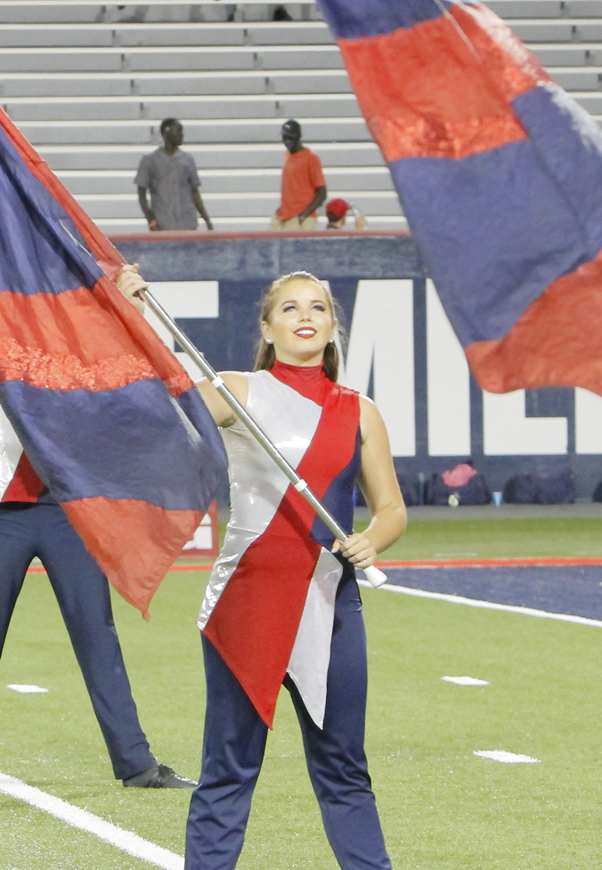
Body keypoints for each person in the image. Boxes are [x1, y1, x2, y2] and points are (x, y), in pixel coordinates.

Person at [0, 274, 194, 797]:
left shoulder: (82, 360)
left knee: (97, 640)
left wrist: (129, 303)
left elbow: (130, 364)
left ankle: (137, 764)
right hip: (6, 517)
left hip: (69, 517)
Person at [178, 270, 408, 868]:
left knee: (343, 768)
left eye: (317, 308)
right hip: (248, 601)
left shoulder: (362, 412)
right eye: (289, 308)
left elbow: (392, 509)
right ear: (268, 327)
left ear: (333, 326)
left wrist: (371, 541)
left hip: (331, 603)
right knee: (228, 770)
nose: (304, 316)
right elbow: (160, 413)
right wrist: (129, 314)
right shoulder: (236, 391)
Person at [136, 118, 213, 231]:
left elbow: (195, 192)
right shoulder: (149, 161)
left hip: (187, 223)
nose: (182, 135)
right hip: (163, 224)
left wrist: (206, 219)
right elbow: (141, 194)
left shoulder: (187, 159)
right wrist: (151, 220)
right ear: (167, 132)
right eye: (179, 131)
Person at [271, 120, 327, 230]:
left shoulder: (311, 158)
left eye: (291, 138)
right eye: (285, 138)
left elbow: (322, 193)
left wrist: (303, 216)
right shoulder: (287, 155)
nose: (288, 142)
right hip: (284, 217)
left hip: (300, 219)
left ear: (299, 136)